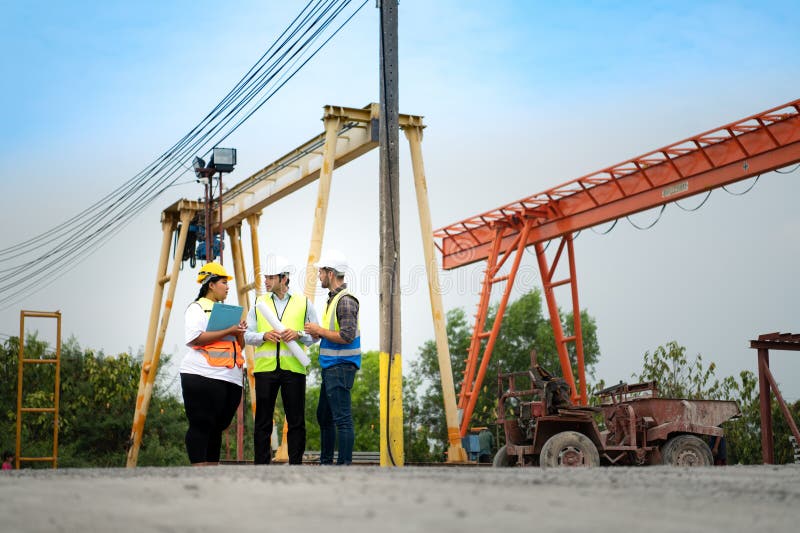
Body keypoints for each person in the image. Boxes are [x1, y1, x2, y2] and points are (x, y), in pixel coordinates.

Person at [244, 254, 319, 465]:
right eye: (265, 277)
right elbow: (247, 335)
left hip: (293, 369)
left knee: (296, 421)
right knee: (262, 422)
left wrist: (298, 334)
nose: (265, 281)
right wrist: (263, 336)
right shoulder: (259, 303)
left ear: (284, 278)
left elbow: (315, 336)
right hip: (265, 370)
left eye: (270, 277)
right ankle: (261, 466)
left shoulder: (304, 303)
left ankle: (296, 465)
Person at [178, 262, 246, 466]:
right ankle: (200, 472)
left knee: (218, 426)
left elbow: (238, 347)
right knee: (202, 423)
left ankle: (212, 473)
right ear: (211, 284)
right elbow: (194, 338)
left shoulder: (227, 312)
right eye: (224, 282)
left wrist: (239, 332)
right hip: (201, 375)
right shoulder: (197, 308)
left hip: (229, 377)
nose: (227, 287)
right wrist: (229, 331)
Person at [304, 250, 360, 465]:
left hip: (340, 367)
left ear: (330, 273)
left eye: (321, 271)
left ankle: (343, 466)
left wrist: (319, 330)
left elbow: (346, 336)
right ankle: (326, 463)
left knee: (342, 419)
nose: (319, 275)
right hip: (332, 367)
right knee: (324, 417)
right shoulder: (334, 299)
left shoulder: (345, 301)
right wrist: (317, 332)